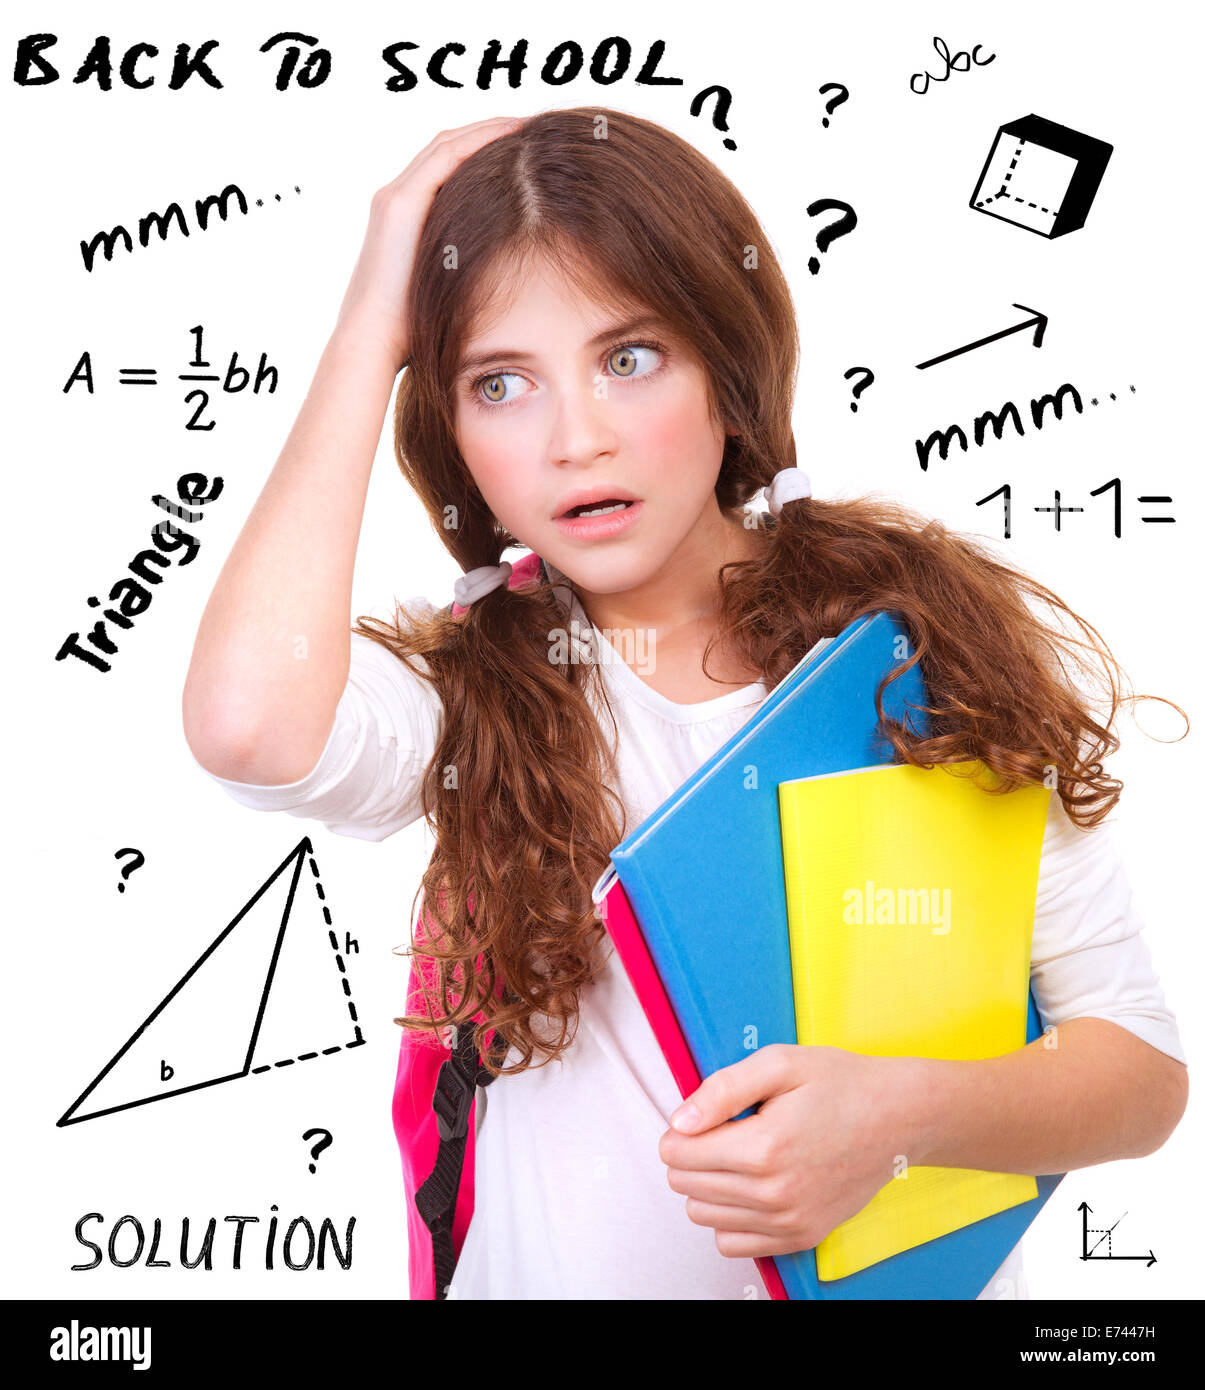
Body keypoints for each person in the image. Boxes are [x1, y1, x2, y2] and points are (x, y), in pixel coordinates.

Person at [182, 108, 1188, 1300]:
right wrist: (368, 327)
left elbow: (1136, 1073)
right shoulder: (470, 701)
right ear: (450, 431)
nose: (576, 438)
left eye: (630, 357)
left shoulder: (907, 656)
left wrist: (896, 1115)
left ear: (726, 370)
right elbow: (247, 726)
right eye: (498, 384)